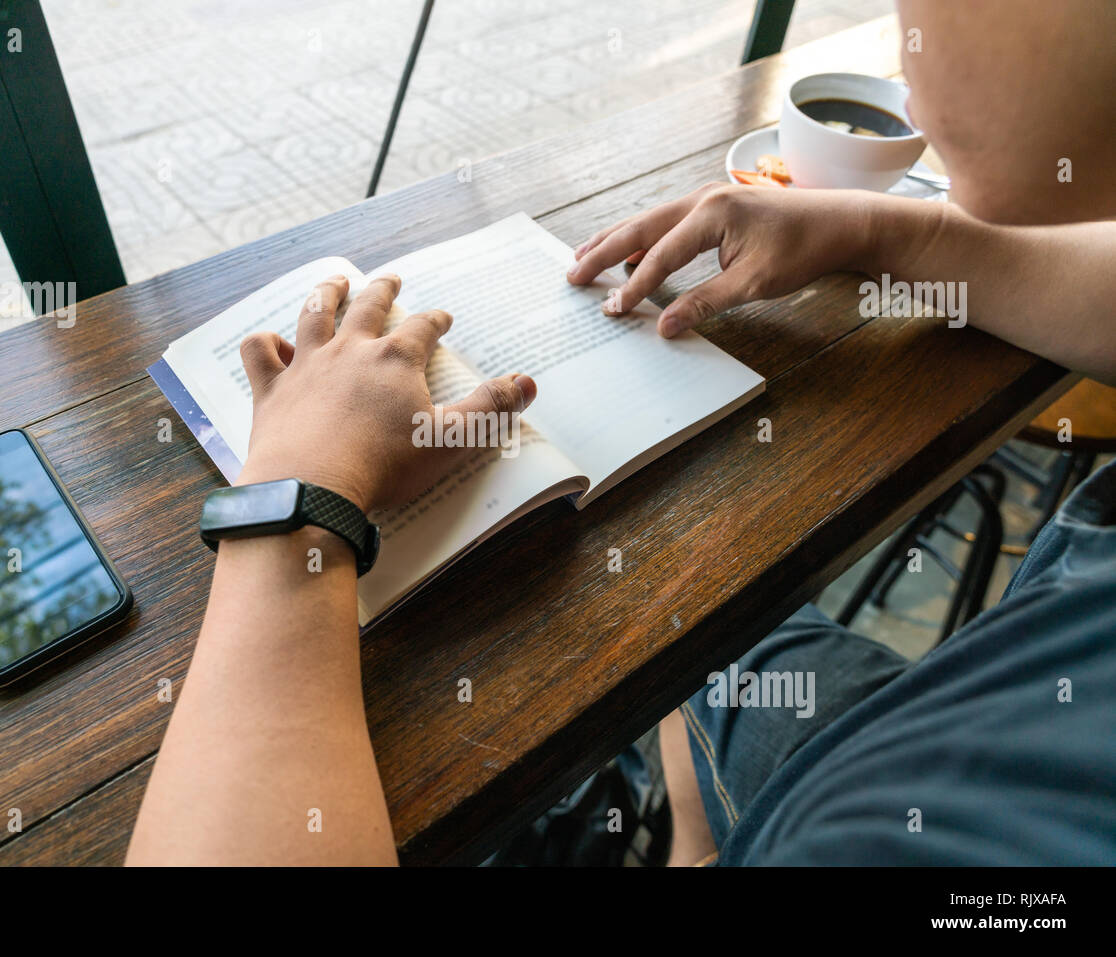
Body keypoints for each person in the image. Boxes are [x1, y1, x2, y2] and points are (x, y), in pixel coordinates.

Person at [126, 0, 1116, 865]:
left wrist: (297, 493)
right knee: (717, 618)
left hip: (865, 777)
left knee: (687, 618)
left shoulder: (919, 840)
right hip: (990, 702)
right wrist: (888, 232)